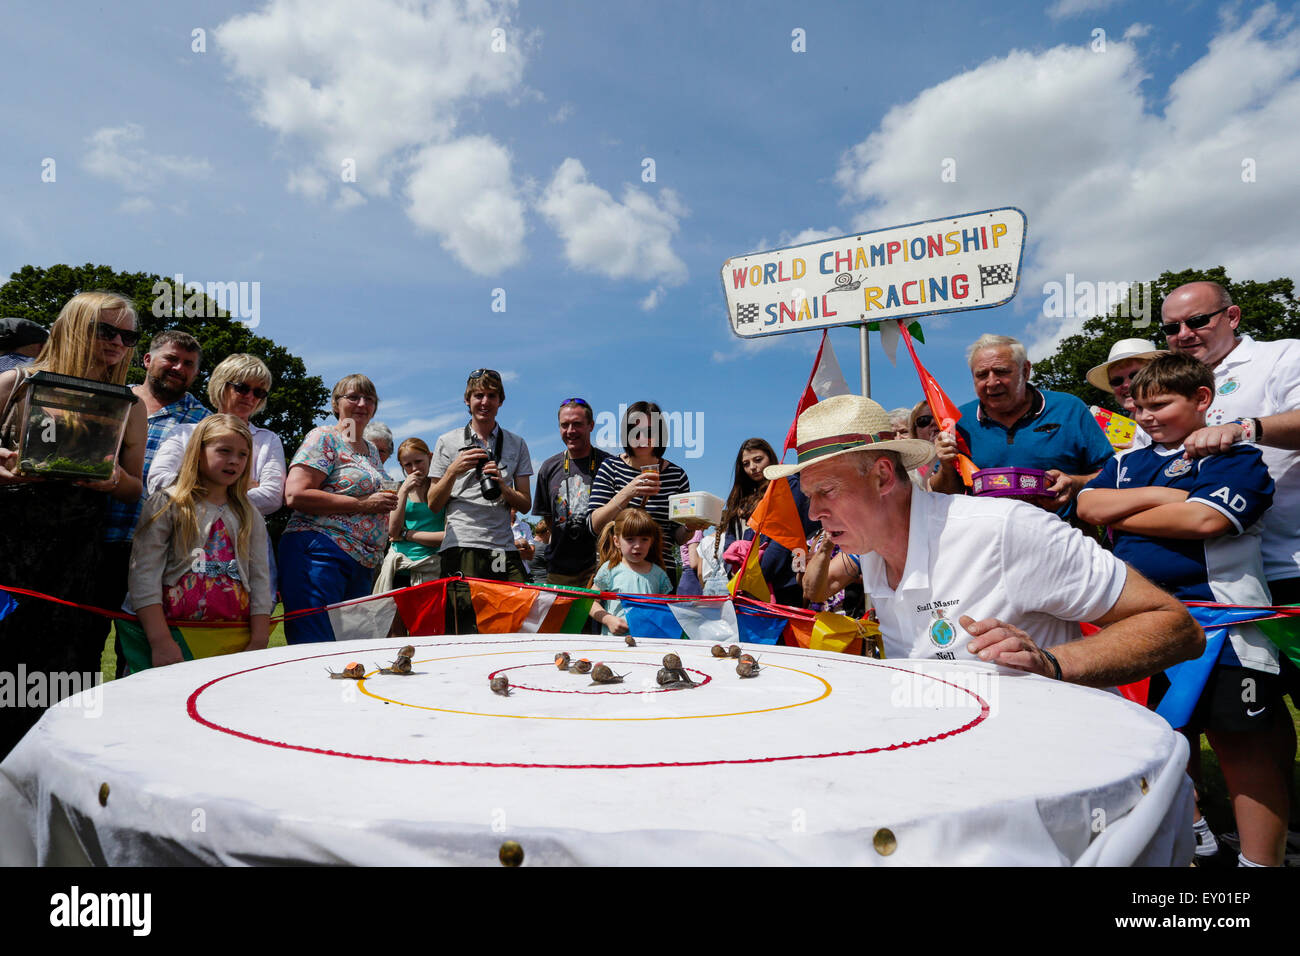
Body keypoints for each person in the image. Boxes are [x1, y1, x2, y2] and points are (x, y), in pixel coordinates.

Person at [766, 394, 1203, 685]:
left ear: (882, 475)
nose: (815, 513)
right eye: (809, 497)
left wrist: (1052, 663)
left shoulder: (1004, 529)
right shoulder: (873, 550)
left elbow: (1176, 626)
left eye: (826, 492)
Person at [1077, 354, 1285, 866]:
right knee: (1162, 743)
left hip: (1224, 626)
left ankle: (1260, 863)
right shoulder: (1125, 462)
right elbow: (1088, 507)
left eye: (1161, 404)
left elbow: (1204, 523)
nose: (1146, 416)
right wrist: (1164, 494)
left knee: (1243, 749)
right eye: (1139, 406)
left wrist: (1128, 512)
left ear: (1202, 400)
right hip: (1142, 625)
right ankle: (1197, 843)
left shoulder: (1239, 455)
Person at [0, 291, 147, 757]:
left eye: (128, 336)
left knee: (63, 674)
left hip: (77, 554)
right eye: (107, 330)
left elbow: (133, 486)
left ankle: (46, 776)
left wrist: (113, 478)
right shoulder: (15, 384)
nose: (118, 344)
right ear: (73, 325)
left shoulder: (129, 405)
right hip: (8, 547)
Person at [123, 415, 272, 671]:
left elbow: (260, 580)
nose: (234, 460)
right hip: (171, 637)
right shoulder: (166, 504)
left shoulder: (250, 514)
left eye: (242, 454)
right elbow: (144, 575)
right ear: (198, 452)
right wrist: (160, 641)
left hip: (232, 641)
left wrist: (259, 640)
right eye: (224, 451)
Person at [100, 329, 208, 674]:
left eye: (188, 364)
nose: (179, 368)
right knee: (80, 636)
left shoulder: (203, 422)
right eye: (171, 359)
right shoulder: (113, 400)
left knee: (138, 653)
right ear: (147, 360)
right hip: (95, 537)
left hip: (158, 549)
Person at [280, 374, 396, 643]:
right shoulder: (324, 438)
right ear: (336, 404)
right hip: (320, 552)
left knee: (350, 650)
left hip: (362, 561)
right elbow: (295, 494)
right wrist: (363, 505)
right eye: (353, 397)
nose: (362, 403)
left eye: (369, 399)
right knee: (315, 645)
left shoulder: (371, 450)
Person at [941, 334, 1114, 509]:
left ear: (1025, 371)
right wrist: (946, 467)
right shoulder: (959, 421)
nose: (992, 382)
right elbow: (943, 496)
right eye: (982, 375)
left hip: (1060, 532)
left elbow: (1113, 474)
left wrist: (1075, 482)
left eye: (1001, 371)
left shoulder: (1069, 408)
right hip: (987, 534)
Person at [428, 369, 532, 632]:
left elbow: (525, 504)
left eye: (491, 396)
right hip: (462, 543)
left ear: (500, 401)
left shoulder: (516, 443)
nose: (484, 402)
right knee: (461, 624)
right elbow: (433, 503)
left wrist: (502, 487)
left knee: (515, 620)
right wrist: (453, 470)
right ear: (467, 400)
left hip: (501, 546)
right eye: (478, 395)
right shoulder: (447, 441)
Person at [148, 353, 286, 518]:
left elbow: (271, 497)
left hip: (242, 539)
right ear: (221, 385)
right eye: (242, 388)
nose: (250, 396)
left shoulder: (268, 440)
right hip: (183, 533)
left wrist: (191, 482)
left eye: (259, 392)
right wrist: (238, 488)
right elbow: (157, 481)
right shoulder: (185, 433)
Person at [588, 401, 691, 587]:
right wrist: (628, 492)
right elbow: (594, 525)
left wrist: (692, 527)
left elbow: (677, 536)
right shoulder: (611, 468)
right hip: (615, 575)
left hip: (659, 577)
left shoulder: (677, 476)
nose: (642, 438)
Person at [532, 398, 610, 587]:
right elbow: (548, 519)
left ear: (591, 425)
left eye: (577, 424)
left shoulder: (609, 464)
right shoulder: (549, 467)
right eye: (564, 425)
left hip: (601, 569)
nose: (570, 431)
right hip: (559, 570)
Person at [691, 438, 775, 597]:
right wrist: (731, 569)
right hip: (738, 576)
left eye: (758, 460)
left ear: (770, 458)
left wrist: (763, 569)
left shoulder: (779, 490)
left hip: (767, 572)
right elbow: (730, 538)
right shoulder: (739, 498)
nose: (753, 467)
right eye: (746, 464)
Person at [374, 437, 445, 594]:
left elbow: (446, 537)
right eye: (408, 465)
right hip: (399, 567)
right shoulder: (399, 489)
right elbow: (393, 531)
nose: (414, 469)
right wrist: (404, 491)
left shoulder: (442, 490)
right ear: (401, 466)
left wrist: (407, 534)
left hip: (431, 567)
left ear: (430, 457)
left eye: (419, 461)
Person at [588, 508, 672, 636]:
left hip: (649, 644)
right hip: (615, 645)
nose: (638, 545)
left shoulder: (659, 574)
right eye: (630, 539)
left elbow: (665, 610)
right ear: (617, 541)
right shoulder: (609, 570)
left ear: (651, 541)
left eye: (644, 539)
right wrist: (608, 619)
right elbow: (590, 603)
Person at [1084, 338, 1167, 451]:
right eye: (1116, 381)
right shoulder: (1124, 429)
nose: (1126, 384)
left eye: (1135, 375)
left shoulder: (1187, 411)